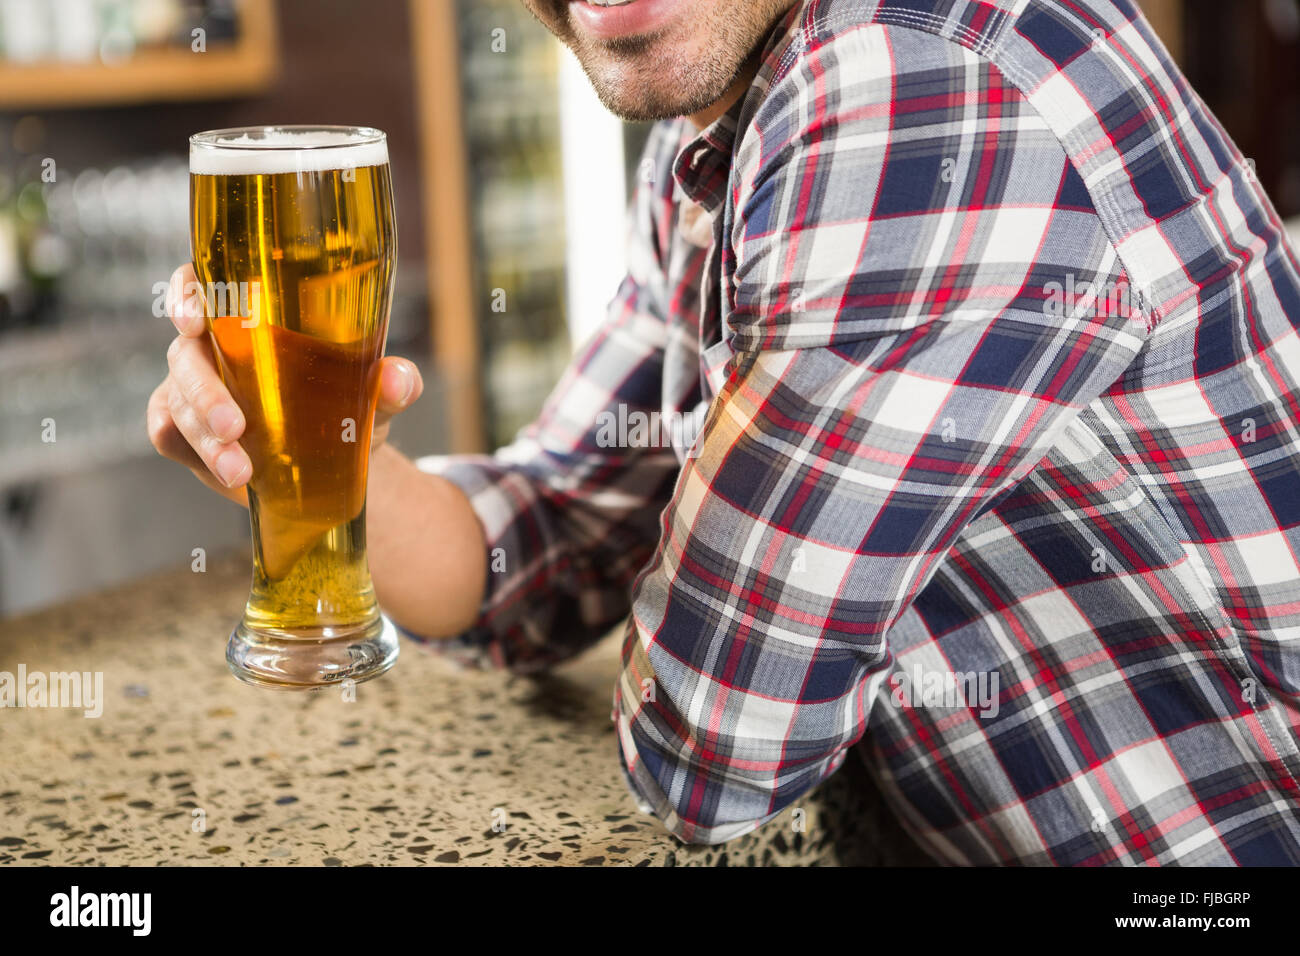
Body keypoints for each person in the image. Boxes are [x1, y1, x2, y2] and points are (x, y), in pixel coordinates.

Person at [149, 0, 1300, 865]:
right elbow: (544, 539)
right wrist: (301, 450)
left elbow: (709, 749)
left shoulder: (911, 79)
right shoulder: (716, 129)